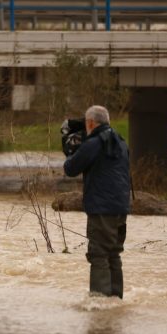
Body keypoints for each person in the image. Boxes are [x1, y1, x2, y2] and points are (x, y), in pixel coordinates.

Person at [63, 105, 131, 298]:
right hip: (121, 208)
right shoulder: (120, 141)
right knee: (114, 254)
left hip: (102, 209)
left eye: (86, 124)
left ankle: (100, 305)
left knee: (98, 254)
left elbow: (70, 168)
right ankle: (115, 301)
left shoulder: (94, 143)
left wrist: (71, 148)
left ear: (91, 123)